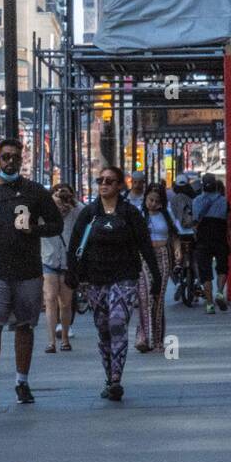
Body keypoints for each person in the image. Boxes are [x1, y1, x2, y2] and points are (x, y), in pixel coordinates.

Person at [0, 137, 63, 407]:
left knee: (24, 326)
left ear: (22, 160)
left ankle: (21, 381)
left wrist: (35, 228)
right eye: (5, 156)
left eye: (15, 157)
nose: (9, 161)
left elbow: (56, 224)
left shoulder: (35, 192)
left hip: (27, 271)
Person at [67, 165, 161, 401]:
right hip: (95, 279)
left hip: (125, 277)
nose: (104, 184)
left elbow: (144, 246)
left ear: (120, 185)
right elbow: (75, 245)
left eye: (110, 180)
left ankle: (117, 378)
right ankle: (109, 376)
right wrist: (73, 274)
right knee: (103, 329)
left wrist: (156, 277)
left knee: (118, 323)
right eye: (100, 180)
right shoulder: (90, 214)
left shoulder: (130, 214)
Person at [135, 182, 181, 353]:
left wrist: (177, 251)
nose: (152, 204)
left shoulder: (166, 215)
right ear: (145, 199)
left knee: (159, 298)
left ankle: (158, 339)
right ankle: (143, 337)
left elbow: (174, 235)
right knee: (146, 296)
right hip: (144, 257)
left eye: (156, 201)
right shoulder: (139, 216)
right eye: (150, 200)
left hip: (163, 255)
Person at [42, 182, 81, 353]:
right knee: (50, 299)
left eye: (64, 199)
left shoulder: (75, 212)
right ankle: (51, 341)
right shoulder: (44, 214)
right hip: (48, 260)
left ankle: (65, 338)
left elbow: (85, 211)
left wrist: (72, 201)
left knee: (65, 303)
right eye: (58, 198)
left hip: (67, 263)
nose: (61, 204)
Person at [192, 172, 231, 313]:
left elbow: (195, 222)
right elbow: (229, 224)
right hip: (220, 237)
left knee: (205, 273)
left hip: (203, 239)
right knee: (222, 268)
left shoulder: (196, 201)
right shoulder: (223, 201)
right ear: (216, 185)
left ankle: (209, 305)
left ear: (203, 186)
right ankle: (220, 292)